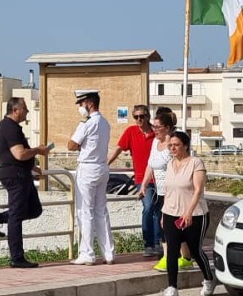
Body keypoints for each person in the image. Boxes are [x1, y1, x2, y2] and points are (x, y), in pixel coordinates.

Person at [0, 97, 50, 268]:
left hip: (22, 173)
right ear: (16, 110)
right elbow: (19, 154)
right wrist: (38, 150)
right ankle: (17, 257)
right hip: (15, 176)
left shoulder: (12, 128)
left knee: (34, 209)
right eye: (25, 109)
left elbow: (20, 157)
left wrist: (33, 167)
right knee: (16, 216)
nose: (27, 112)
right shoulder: (9, 128)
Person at [158, 130, 218, 296]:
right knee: (171, 251)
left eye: (176, 145)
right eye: (170, 145)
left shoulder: (196, 163)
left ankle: (209, 278)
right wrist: (164, 213)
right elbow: (167, 191)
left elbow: (198, 190)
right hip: (171, 213)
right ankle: (172, 289)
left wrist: (189, 212)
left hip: (195, 214)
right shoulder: (170, 164)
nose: (173, 148)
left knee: (194, 250)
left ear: (185, 145)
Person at [140, 108, 194, 272]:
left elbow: (169, 163)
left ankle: (178, 257)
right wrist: (143, 185)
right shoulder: (156, 143)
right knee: (167, 224)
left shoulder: (173, 144)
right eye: (153, 126)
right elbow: (151, 163)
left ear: (168, 128)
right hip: (161, 190)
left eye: (157, 127)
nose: (154, 129)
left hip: (174, 190)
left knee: (170, 224)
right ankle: (178, 257)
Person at [68, 89, 114, 264]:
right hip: (102, 166)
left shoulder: (86, 123)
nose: (80, 107)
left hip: (88, 169)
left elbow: (71, 145)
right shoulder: (105, 123)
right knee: (101, 211)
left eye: (81, 103)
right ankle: (108, 253)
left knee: (85, 212)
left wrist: (80, 145)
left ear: (89, 103)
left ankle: (87, 253)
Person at [109, 104, 159, 258]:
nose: (139, 119)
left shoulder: (156, 133)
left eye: (142, 116)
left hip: (161, 178)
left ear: (148, 117)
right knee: (148, 207)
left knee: (159, 211)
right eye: (136, 117)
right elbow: (118, 148)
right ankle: (149, 244)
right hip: (142, 179)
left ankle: (159, 242)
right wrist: (106, 164)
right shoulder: (131, 132)